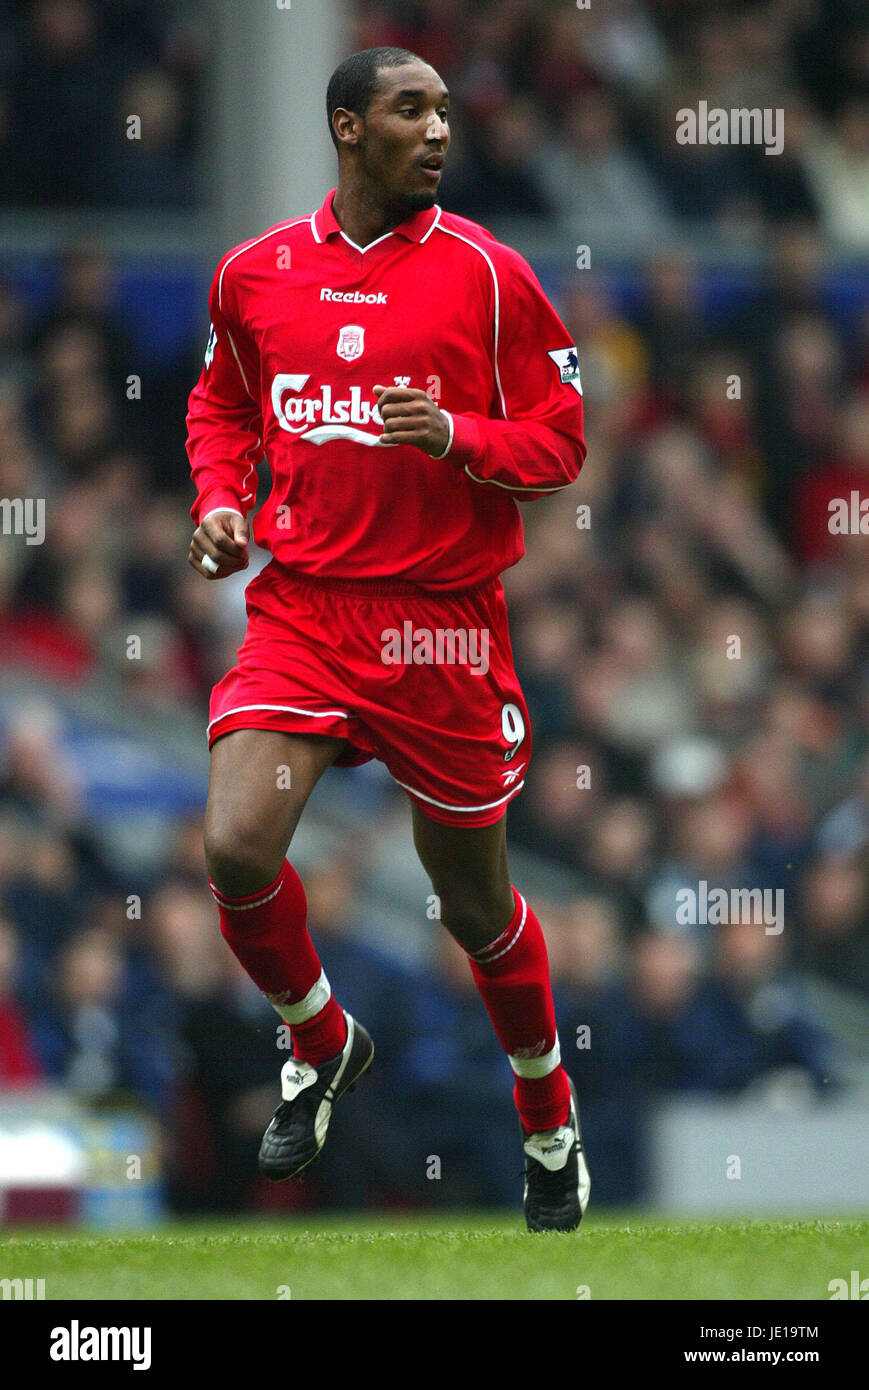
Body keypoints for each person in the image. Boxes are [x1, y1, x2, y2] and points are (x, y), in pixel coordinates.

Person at [185, 47, 589, 1231]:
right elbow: (220, 406)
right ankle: (320, 1038)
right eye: (410, 110)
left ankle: (548, 1114)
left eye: (445, 112)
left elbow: (561, 442)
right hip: (304, 610)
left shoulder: (494, 276)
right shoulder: (253, 275)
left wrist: (456, 436)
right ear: (346, 126)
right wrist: (218, 498)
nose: (437, 131)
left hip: (443, 631)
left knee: (471, 906)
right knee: (235, 843)